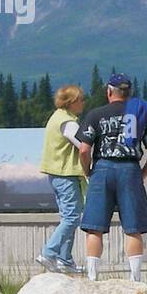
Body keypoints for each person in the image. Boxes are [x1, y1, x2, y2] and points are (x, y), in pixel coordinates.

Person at [76, 73, 147, 283]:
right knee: (133, 227)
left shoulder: (96, 115)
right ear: (129, 93)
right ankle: (135, 277)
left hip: (102, 168)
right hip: (130, 169)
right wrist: (144, 172)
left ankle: (93, 276)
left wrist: (88, 171)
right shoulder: (139, 115)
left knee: (94, 227)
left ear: (109, 92)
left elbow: (84, 150)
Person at [36, 84, 88, 275]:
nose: (83, 103)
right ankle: (48, 252)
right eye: (81, 99)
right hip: (66, 174)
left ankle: (65, 260)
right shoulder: (68, 122)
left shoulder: (55, 117)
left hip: (55, 174)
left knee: (68, 216)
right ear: (71, 102)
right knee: (73, 217)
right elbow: (83, 145)